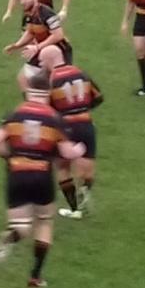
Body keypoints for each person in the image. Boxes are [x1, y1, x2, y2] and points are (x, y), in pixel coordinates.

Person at [0, 71, 86, 288]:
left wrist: (9, 156)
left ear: (29, 89)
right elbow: (67, 152)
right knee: (44, 221)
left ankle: (12, 235)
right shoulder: (54, 118)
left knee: (21, 225)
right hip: (41, 175)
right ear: (48, 91)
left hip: (16, 174)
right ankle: (35, 275)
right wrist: (79, 149)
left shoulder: (14, 114)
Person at [47, 61, 103, 219]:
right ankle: (85, 191)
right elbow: (99, 97)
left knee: (63, 167)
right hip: (86, 123)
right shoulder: (81, 73)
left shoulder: (52, 79)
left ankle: (74, 209)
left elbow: (48, 107)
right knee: (88, 165)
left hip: (65, 127)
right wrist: (83, 109)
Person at [3, 0, 71, 89]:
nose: (22, 2)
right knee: (23, 78)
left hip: (58, 51)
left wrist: (37, 47)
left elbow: (58, 35)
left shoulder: (47, 14)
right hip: (42, 48)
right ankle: (33, 98)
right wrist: (17, 45)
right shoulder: (29, 13)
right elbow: (30, 32)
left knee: (57, 82)